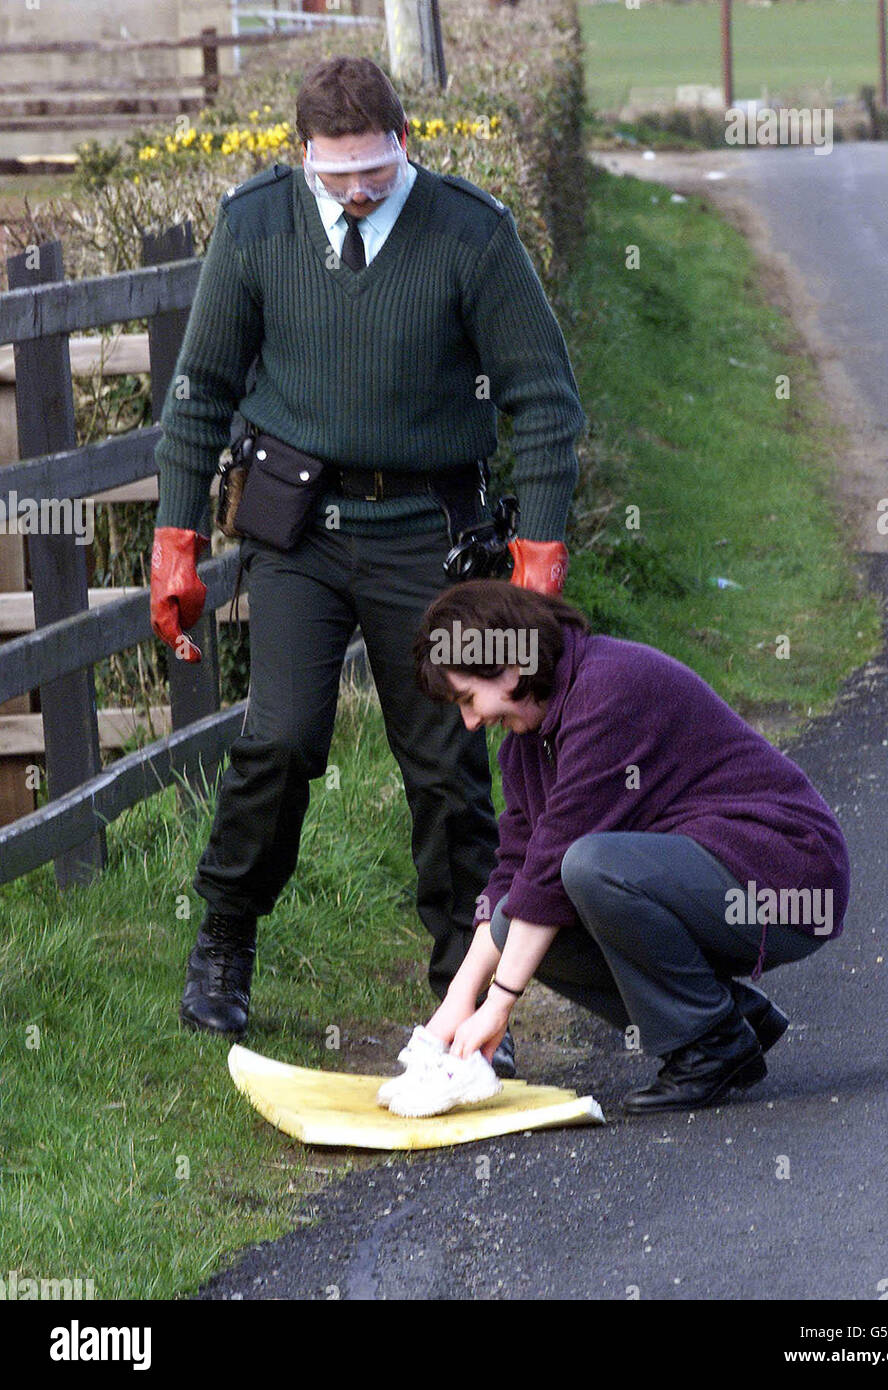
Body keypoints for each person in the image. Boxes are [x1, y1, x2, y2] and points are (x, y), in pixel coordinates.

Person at [147, 55, 585, 1072]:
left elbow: (544, 403)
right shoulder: (256, 225)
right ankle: (225, 942)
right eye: (334, 173)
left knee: (447, 765)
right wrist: (175, 538)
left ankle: (462, 1000)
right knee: (279, 740)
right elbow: (200, 390)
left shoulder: (471, 234)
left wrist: (538, 553)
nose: (355, 190)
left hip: (430, 531)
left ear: (404, 143)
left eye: (374, 171)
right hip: (296, 528)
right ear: (302, 155)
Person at [410, 579, 850, 1113]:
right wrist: (457, 1003)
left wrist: (499, 1004)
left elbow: (555, 863)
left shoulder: (608, 690)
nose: (470, 721)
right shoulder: (529, 744)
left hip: (785, 873)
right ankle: (728, 1018)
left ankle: (710, 1044)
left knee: (590, 867)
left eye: (467, 699)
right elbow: (516, 871)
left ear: (508, 668)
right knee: (511, 923)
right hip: (708, 878)